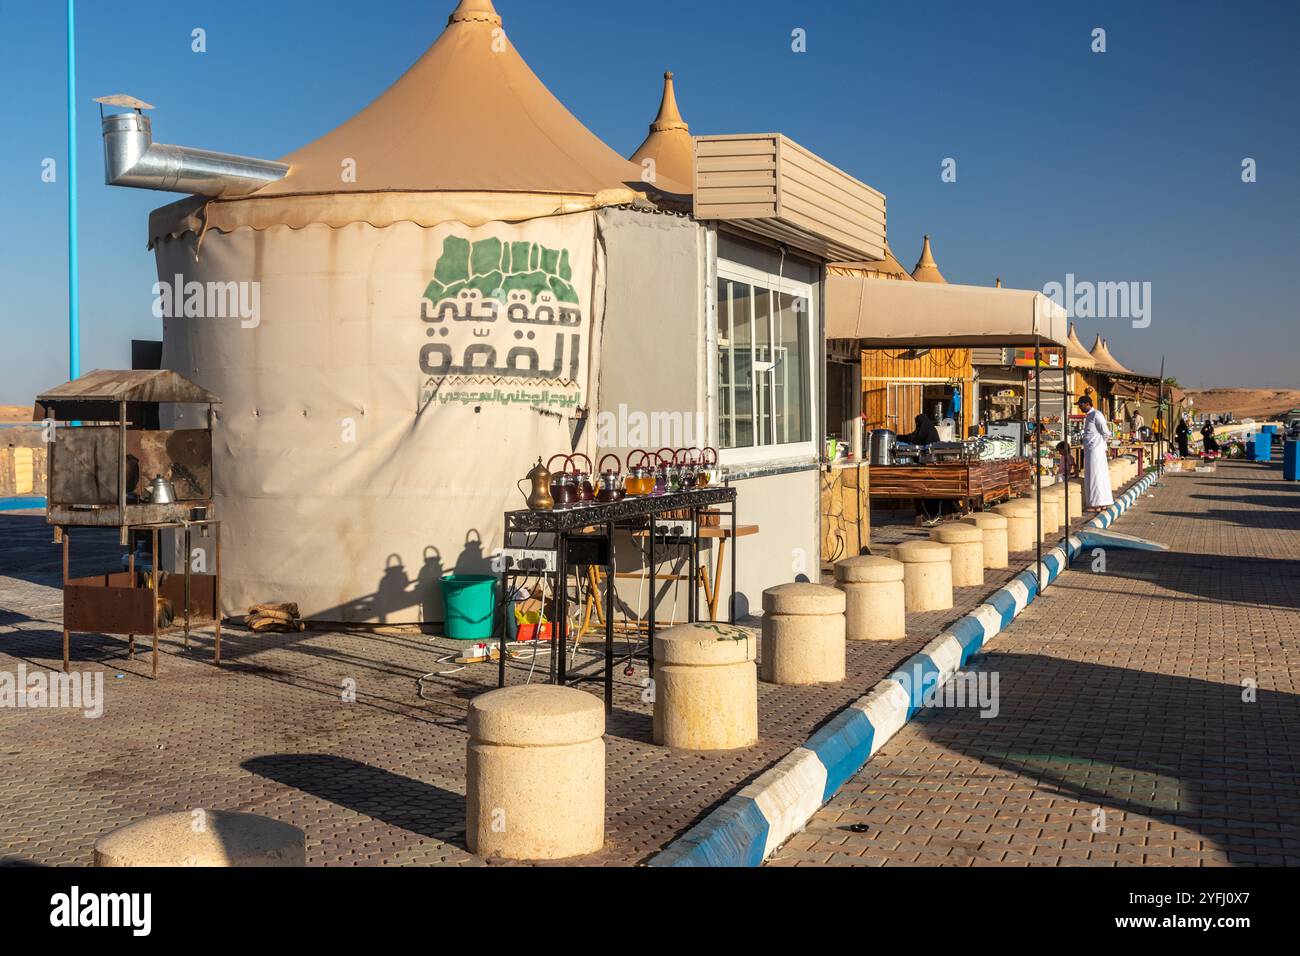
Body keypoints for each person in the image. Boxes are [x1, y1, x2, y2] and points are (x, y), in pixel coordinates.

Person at [1077, 395, 1113, 510]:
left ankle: (1099, 502)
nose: (1079, 407)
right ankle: (1096, 503)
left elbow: (1106, 433)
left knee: (1097, 476)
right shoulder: (1089, 416)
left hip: (1096, 451)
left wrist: (1100, 445)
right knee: (1092, 476)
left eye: (1080, 405)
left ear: (1087, 403)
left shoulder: (1097, 415)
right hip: (1090, 450)